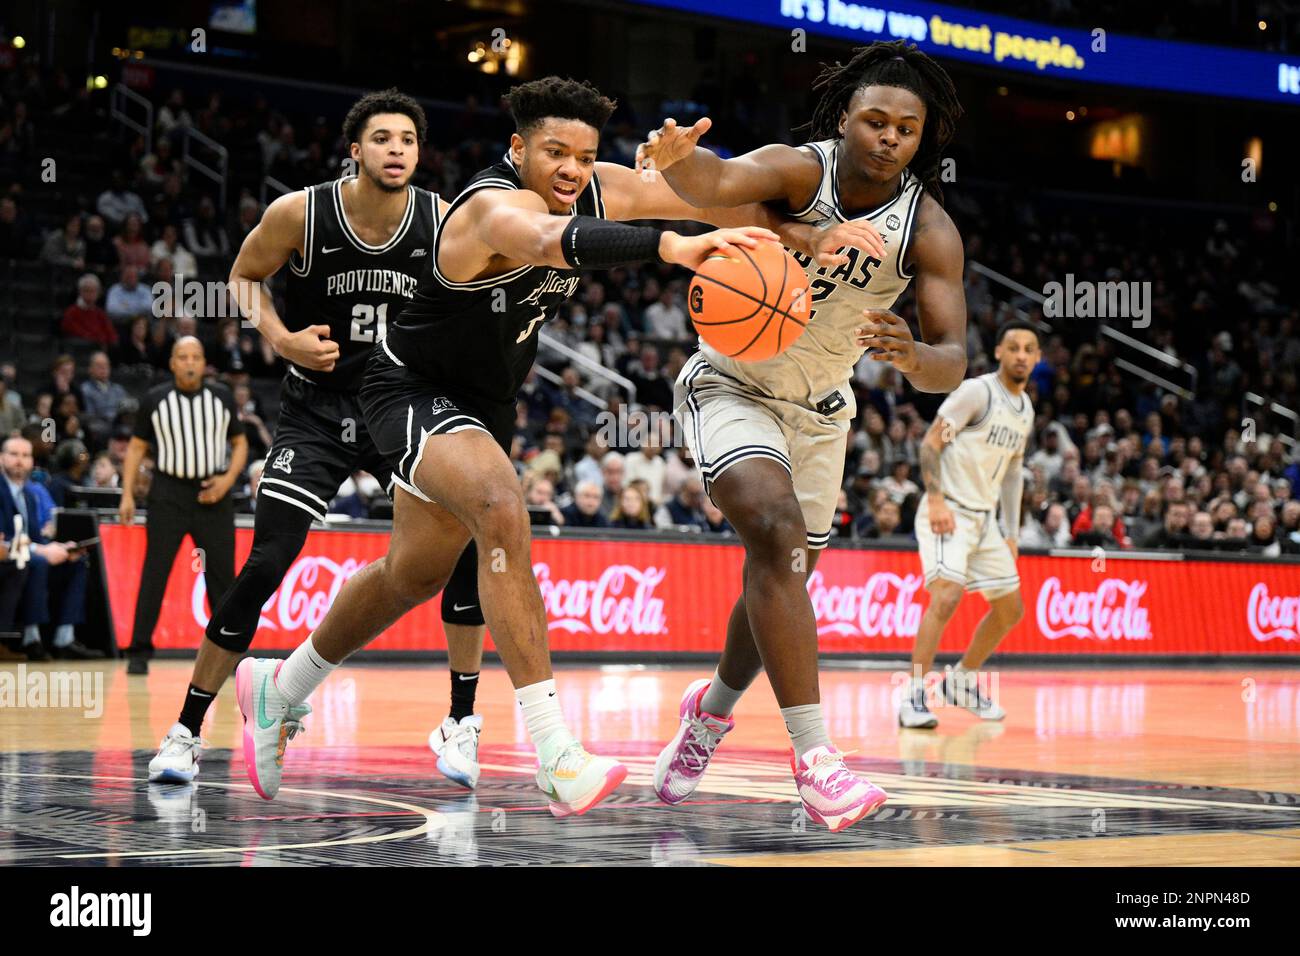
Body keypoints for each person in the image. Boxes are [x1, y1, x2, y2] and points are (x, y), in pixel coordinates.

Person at [236, 76, 866, 814]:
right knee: (504, 507)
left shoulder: (599, 187)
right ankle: (555, 751)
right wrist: (674, 247)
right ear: (517, 148)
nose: (571, 169)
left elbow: (714, 200)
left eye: (585, 155)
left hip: (486, 405)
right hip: (407, 388)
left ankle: (278, 690)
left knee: (411, 575)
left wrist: (802, 233)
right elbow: (547, 242)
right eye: (553, 152)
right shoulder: (488, 209)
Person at [636, 39, 966, 829]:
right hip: (730, 382)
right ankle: (816, 760)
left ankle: (708, 714)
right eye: (875, 120)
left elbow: (952, 363)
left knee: (779, 575)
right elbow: (715, 181)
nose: (889, 137)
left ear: (921, 140)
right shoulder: (800, 169)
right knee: (778, 530)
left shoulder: (930, 229)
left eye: (906, 129)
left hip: (822, 412)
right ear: (846, 119)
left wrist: (914, 354)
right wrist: (681, 162)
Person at [145, 89, 471, 786]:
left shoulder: (441, 220)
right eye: (382, 138)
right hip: (317, 410)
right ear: (355, 150)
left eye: (408, 140)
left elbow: (468, 300)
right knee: (265, 563)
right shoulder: (302, 211)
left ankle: (459, 722)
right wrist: (282, 338)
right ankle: (185, 731)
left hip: (398, 411)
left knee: (466, 542)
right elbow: (242, 277)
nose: (396, 150)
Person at [900, 322, 1038, 729]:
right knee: (946, 595)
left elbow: (1014, 474)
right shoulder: (977, 392)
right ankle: (912, 697)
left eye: (1029, 349)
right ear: (998, 352)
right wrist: (937, 498)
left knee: (1010, 608)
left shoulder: (1025, 410)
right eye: (1013, 347)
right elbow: (930, 444)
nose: (1021, 355)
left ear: (1038, 359)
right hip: (949, 508)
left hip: (985, 521)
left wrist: (1011, 532)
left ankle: (960, 681)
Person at [120, 338, 248, 676]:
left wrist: (228, 479)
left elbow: (239, 442)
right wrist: (128, 494)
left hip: (213, 494)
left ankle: (227, 652)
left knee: (222, 577)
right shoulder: (154, 399)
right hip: (168, 494)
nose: (190, 363)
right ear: (173, 363)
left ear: (204, 361)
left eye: (195, 357)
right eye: (183, 357)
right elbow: (135, 448)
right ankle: (139, 651)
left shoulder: (221, 396)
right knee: (155, 573)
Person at [0, 435, 99, 660]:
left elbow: (34, 538)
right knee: (38, 561)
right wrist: (43, 551)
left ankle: (64, 638)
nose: (20, 461)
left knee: (75, 563)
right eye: (14, 455)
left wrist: (61, 548)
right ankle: (31, 638)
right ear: (1, 458)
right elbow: (4, 542)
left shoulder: (30, 495)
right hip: (8, 557)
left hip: (26, 553)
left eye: (25, 456)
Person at [61, 274, 117, 347]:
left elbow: (111, 334)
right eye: (87, 290)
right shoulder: (72, 312)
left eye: (93, 291)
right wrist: (97, 339)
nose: (90, 294)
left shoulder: (100, 313)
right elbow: (72, 330)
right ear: (80, 292)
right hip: (82, 349)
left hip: (101, 349)